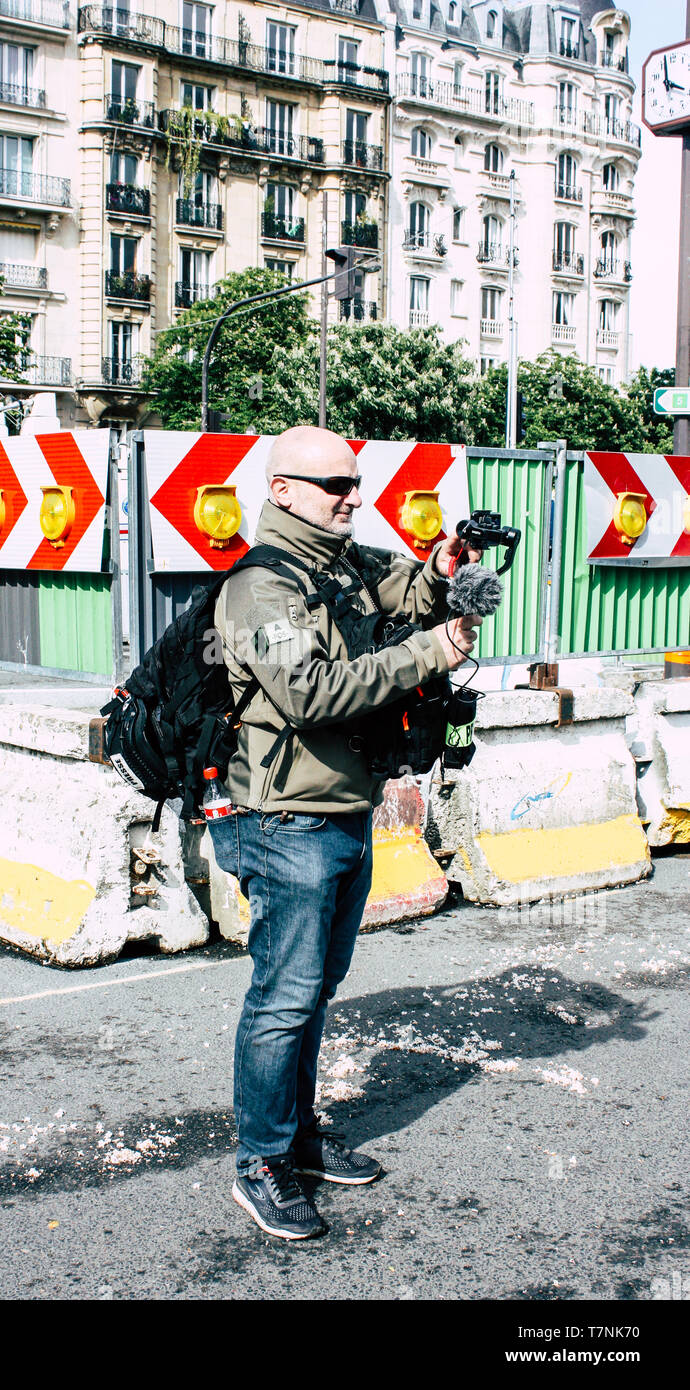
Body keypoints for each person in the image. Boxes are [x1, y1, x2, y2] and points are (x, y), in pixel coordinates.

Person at [207, 425, 482, 1241]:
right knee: (282, 999)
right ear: (283, 490)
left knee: (314, 992)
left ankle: (296, 1138)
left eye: (355, 484)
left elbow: (400, 594)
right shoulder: (260, 590)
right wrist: (434, 651)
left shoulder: (341, 563)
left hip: (345, 811)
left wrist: (443, 573)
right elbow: (313, 694)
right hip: (286, 821)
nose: (353, 499)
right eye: (336, 487)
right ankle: (260, 1164)